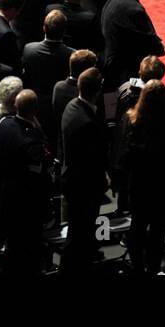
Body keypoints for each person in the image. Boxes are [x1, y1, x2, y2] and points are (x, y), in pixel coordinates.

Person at [120, 79, 165, 274]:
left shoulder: (132, 123)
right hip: (162, 191)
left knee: (136, 230)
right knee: (157, 235)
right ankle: (152, 270)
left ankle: (138, 269)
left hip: (139, 188)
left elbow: (125, 158)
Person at [59, 66, 108, 272]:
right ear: (98, 90)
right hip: (84, 185)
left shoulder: (72, 105)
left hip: (74, 179)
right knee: (80, 231)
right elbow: (92, 160)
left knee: (80, 229)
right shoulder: (88, 122)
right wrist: (104, 178)